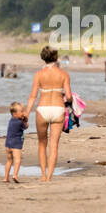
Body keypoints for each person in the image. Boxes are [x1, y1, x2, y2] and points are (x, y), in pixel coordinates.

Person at [25, 46, 72, 182]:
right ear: (56, 58)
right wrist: (69, 99)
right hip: (58, 109)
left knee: (41, 143)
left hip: (43, 109)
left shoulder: (38, 75)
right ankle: (50, 176)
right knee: (54, 145)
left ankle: (43, 175)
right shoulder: (64, 74)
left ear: (43, 58)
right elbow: (68, 97)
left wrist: (27, 113)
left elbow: (33, 96)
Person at [4, 101, 28, 183]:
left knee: (9, 161)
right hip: (16, 144)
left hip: (8, 144)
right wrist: (26, 120)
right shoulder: (20, 122)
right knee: (17, 160)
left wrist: (22, 117)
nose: (23, 113)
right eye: (21, 111)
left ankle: (6, 178)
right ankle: (15, 175)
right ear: (14, 114)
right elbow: (26, 127)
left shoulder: (11, 120)